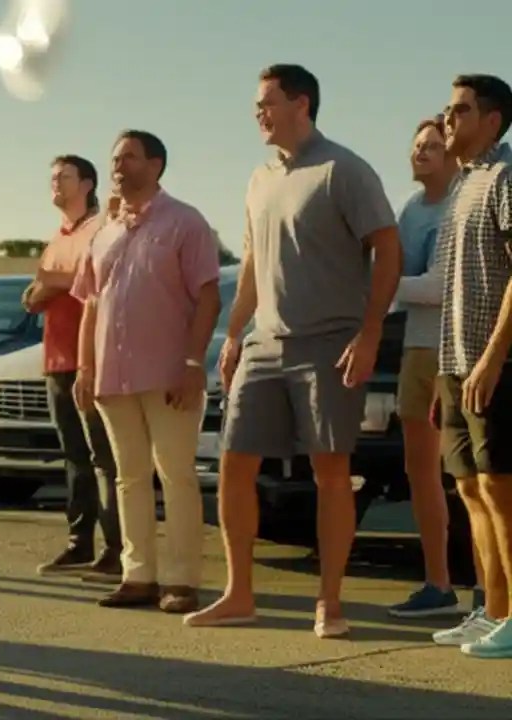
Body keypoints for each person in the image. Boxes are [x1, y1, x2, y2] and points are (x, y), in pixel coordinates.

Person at [186, 64, 402, 637]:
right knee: (234, 463)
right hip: (264, 343)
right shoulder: (259, 178)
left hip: (329, 343)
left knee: (331, 471)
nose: (257, 112)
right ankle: (238, 595)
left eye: (267, 102)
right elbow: (253, 264)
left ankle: (330, 603)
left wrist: (370, 332)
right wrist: (235, 332)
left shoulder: (343, 169)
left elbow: (388, 249)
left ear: (301, 104)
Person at [70, 131, 221, 613]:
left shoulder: (185, 222)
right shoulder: (103, 230)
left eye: (129, 157)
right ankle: (138, 576)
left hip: (169, 374)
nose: (118, 165)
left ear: (155, 165)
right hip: (112, 378)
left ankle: (181, 581)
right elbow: (91, 303)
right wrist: (84, 368)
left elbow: (209, 297)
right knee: (129, 477)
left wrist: (193, 364)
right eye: (115, 158)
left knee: (175, 475)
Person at [429, 74, 512, 658]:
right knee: (471, 489)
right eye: (447, 109)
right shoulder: (462, 183)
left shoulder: (506, 176)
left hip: (495, 363)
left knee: (501, 489)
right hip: (454, 364)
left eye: (459, 110)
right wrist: (449, 374)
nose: (447, 119)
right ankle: (495, 612)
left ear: (492, 120)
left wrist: (492, 359)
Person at [23, 154, 123, 578]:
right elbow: (33, 295)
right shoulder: (58, 236)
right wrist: (49, 283)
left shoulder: (100, 227)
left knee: (104, 457)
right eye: (52, 177)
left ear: (87, 184)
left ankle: (116, 549)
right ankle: (78, 543)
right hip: (56, 360)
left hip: (92, 360)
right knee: (75, 456)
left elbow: (93, 280)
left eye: (64, 176)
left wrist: (52, 280)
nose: (55, 183)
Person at [386, 116, 463, 618]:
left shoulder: (464, 204)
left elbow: (439, 287)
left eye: (432, 145)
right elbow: (395, 277)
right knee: (421, 471)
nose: (420, 152)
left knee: (472, 477)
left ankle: (491, 594)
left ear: (453, 154)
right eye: (417, 145)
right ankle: (439, 583)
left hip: (456, 350)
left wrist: (378, 286)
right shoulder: (412, 209)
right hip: (417, 349)